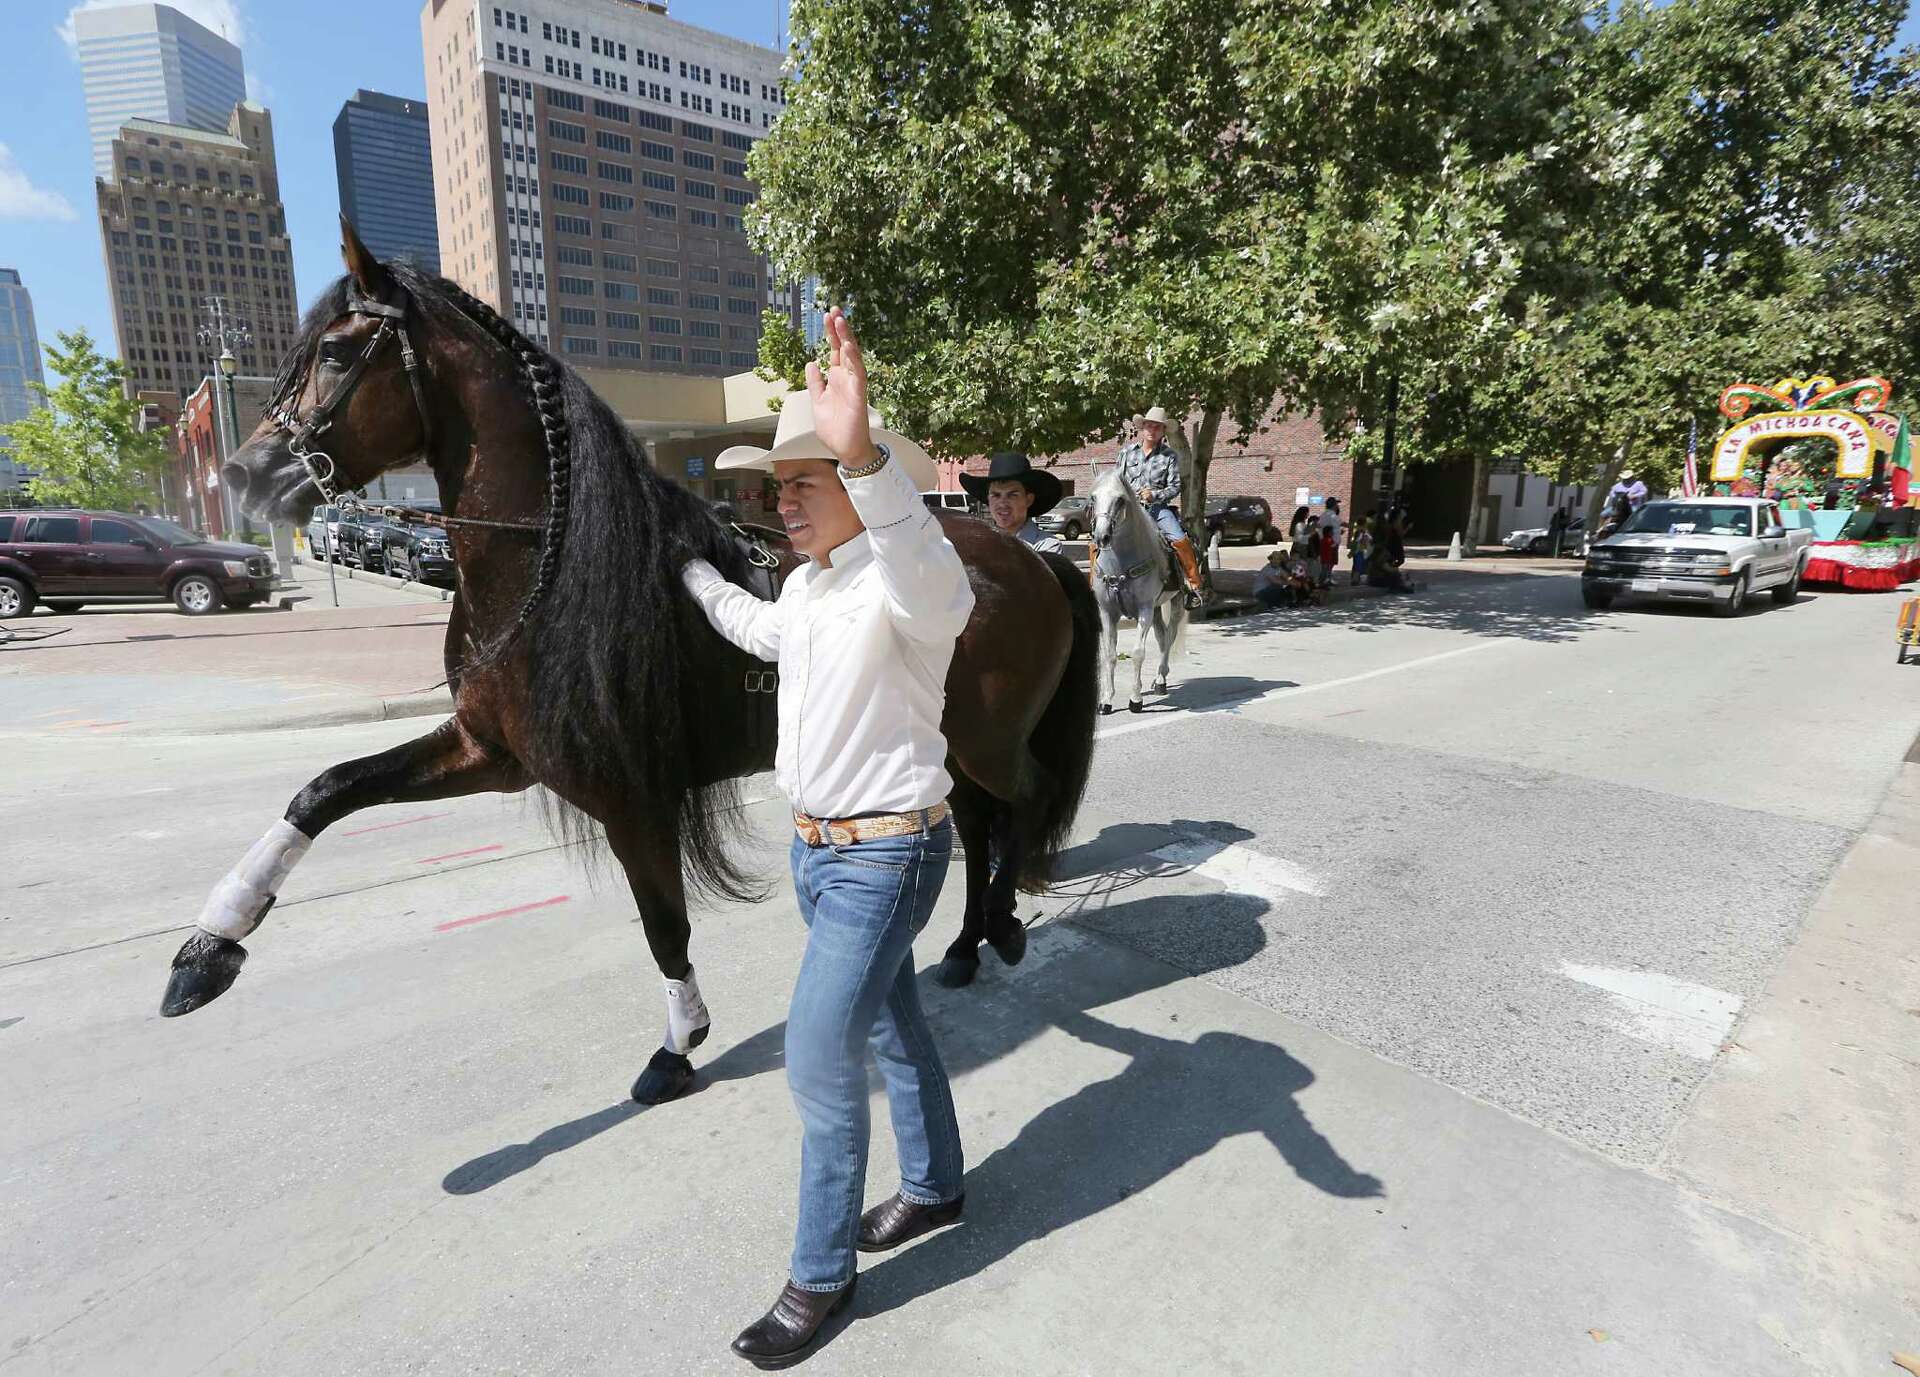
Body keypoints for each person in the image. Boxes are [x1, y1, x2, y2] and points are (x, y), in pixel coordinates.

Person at [678, 309, 971, 1368]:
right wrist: (697, 579)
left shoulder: (911, 586)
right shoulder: (806, 588)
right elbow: (761, 630)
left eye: (806, 479)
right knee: (893, 1029)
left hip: (887, 855)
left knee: (817, 1057)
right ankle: (936, 1187)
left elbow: (930, 570)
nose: (782, 499)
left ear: (858, 481)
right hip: (818, 854)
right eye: (779, 484)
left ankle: (819, 1278)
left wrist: (865, 452)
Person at [1116, 405, 1207, 607]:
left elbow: (1175, 487)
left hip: (1157, 509)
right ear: (1143, 427)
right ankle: (1095, 586)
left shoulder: (1169, 456)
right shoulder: (1126, 453)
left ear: (1163, 431)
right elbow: (1117, 481)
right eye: (1149, 425)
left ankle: (1193, 586)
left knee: (1179, 538)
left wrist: (1154, 495)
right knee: (1101, 536)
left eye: (1157, 427)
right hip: (1128, 508)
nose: (1152, 430)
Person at [960, 450, 1065, 553]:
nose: (1002, 503)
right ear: (988, 499)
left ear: (1028, 500)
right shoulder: (978, 545)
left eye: (1012, 495)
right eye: (996, 495)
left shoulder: (1047, 547)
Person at [1349, 513, 1373, 585]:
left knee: (1356, 565)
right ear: (1364, 523)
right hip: (1359, 550)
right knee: (1358, 566)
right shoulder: (1361, 531)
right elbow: (1362, 540)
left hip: (1357, 550)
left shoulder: (1357, 529)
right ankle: (1355, 580)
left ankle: (1354, 579)